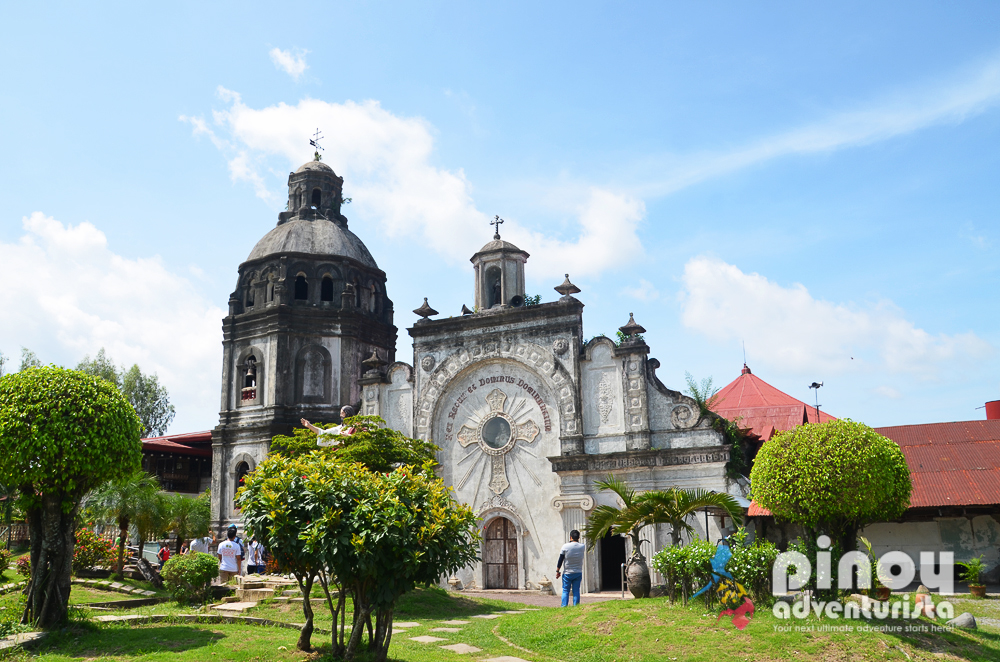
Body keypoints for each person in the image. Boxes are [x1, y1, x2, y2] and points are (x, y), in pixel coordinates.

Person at [555, 529, 585, 607]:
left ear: (570, 537)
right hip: (578, 572)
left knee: (565, 590)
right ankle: (576, 606)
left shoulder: (565, 546)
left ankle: (564, 606)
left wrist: (557, 571)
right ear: (578, 537)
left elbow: (560, 559)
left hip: (567, 572)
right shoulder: (582, 546)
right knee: (576, 591)